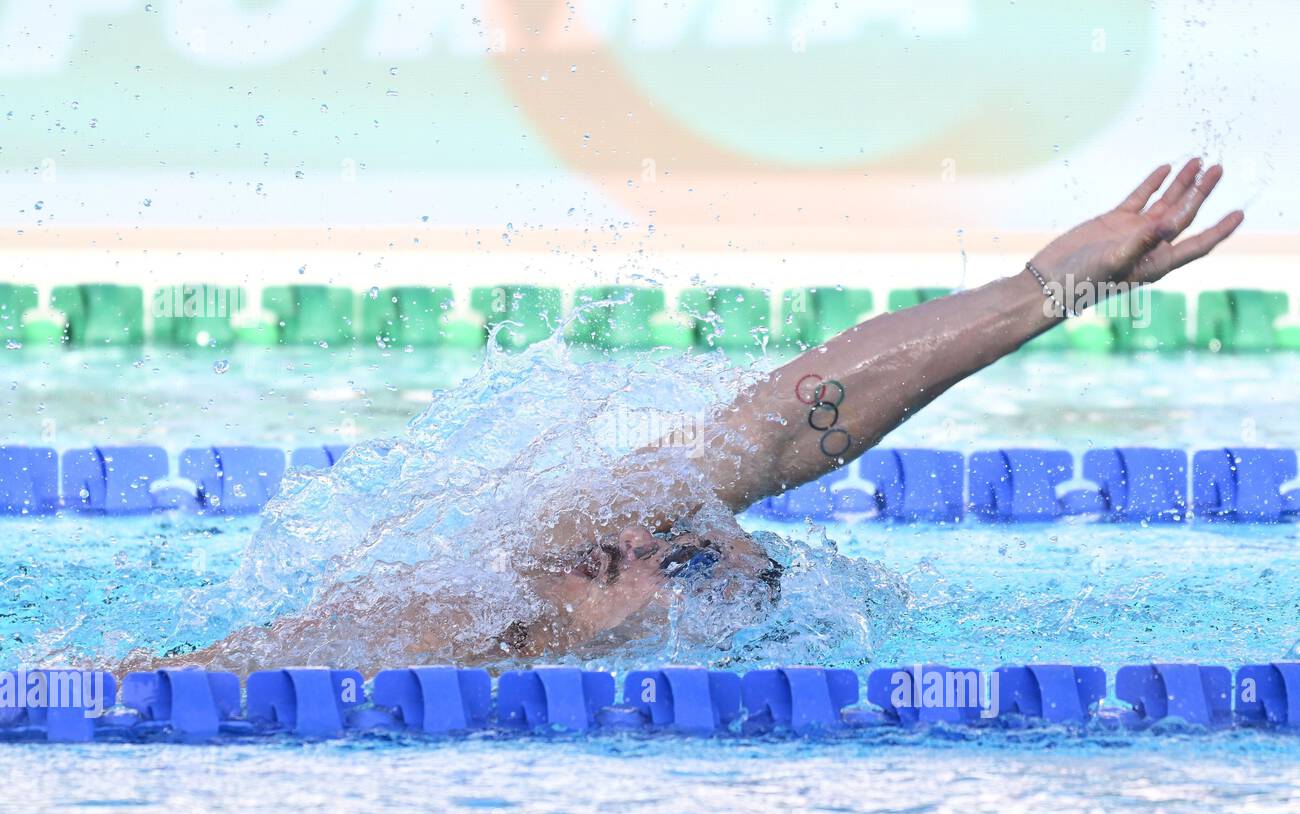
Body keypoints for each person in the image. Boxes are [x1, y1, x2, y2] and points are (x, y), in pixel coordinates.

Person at [158, 160, 1241, 672]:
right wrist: (1041, 290)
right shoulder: (492, 571)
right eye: (668, 519)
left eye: (674, 564)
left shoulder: (480, 671)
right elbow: (783, 421)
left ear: (675, 642)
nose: (633, 535)